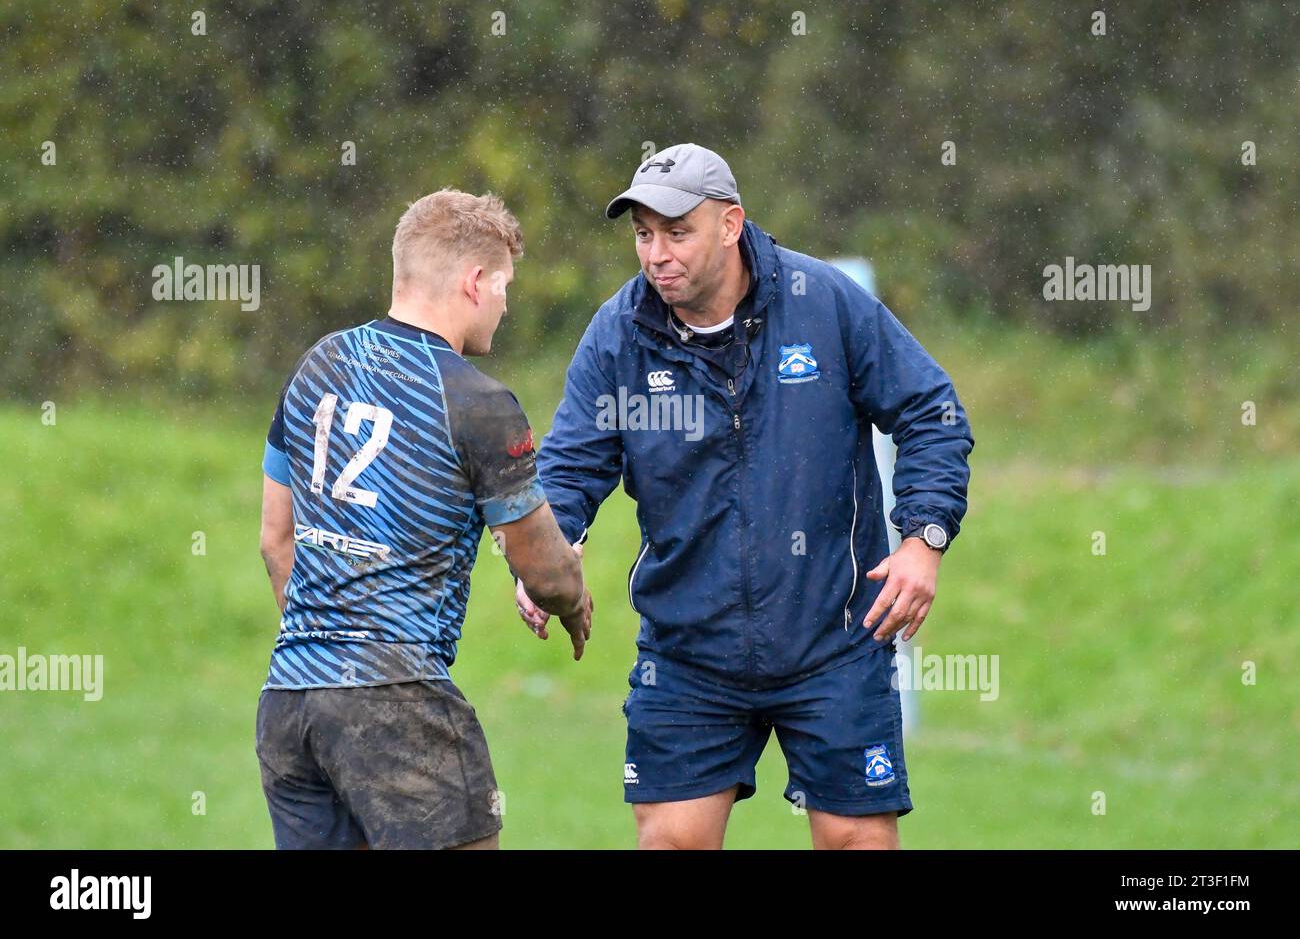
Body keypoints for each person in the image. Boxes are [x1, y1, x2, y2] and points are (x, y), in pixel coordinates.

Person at [517, 144, 973, 849]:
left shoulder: (821, 302)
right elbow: (573, 460)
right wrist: (549, 549)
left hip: (835, 637)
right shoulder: (619, 335)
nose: (656, 254)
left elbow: (931, 412)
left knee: (858, 840)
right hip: (689, 647)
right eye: (643, 235)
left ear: (730, 225)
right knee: (671, 840)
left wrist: (924, 539)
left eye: (677, 232)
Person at [256, 188, 593, 850]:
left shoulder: (315, 365)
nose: (505, 303)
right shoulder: (477, 401)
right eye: (504, 286)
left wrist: (326, 656)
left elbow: (276, 539)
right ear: (474, 281)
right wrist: (573, 595)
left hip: (290, 704)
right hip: (398, 702)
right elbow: (542, 567)